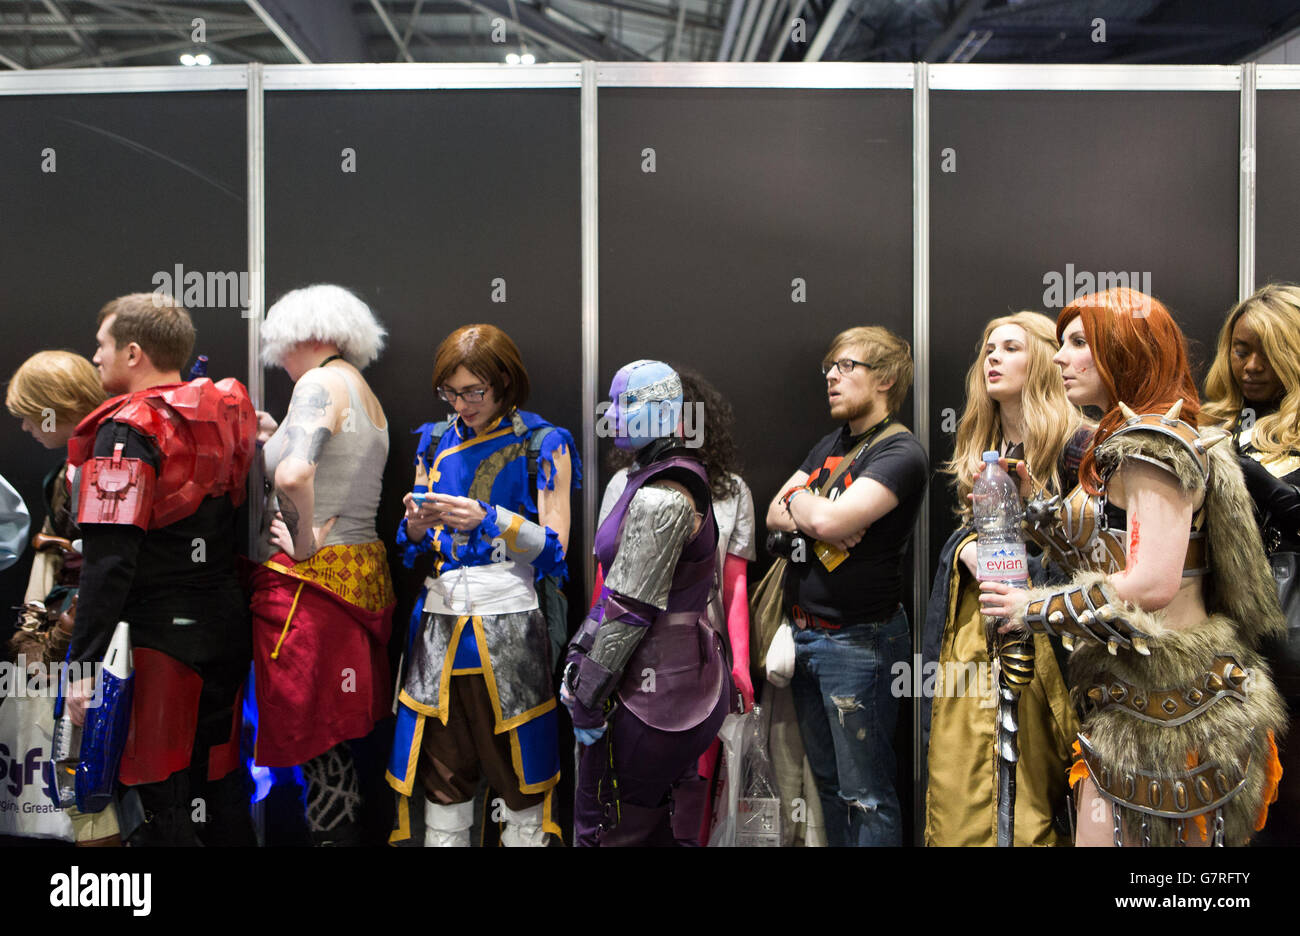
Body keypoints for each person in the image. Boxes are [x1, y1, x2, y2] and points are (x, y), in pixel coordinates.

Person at [980, 287, 1287, 847]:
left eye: (1079, 343)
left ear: (1123, 351)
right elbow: (1111, 557)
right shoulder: (1139, 437)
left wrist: (1032, 607)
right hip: (1138, 694)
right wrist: (1040, 513)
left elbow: (1151, 581)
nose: (1059, 358)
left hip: (1171, 701)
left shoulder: (1151, 447)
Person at [64, 292, 257, 846]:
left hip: (158, 644)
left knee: (163, 800)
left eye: (101, 346)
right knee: (219, 788)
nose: (94, 358)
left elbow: (109, 561)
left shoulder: (126, 430)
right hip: (223, 627)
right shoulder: (225, 410)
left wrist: (82, 669)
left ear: (131, 352)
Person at [386, 324, 579, 847]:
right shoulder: (434, 440)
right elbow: (414, 549)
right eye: (451, 392)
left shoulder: (543, 442)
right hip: (438, 633)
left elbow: (557, 550)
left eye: (475, 391)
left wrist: (489, 518)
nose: (462, 403)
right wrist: (417, 526)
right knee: (443, 781)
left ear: (504, 383)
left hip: (510, 629)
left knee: (522, 780)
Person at [922, 311, 1088, 846]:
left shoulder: (1078, 446)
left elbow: (1094, 563)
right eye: (989, 348)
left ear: (1041, 359)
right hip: (978, 633)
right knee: (964, 781)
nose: (992, 358)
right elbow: (968, 537)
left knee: (1035, 792)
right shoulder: (985, 449)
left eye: (1011, 348)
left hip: (1047, 639)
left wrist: (1022, 568)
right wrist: (971, 547)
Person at [764, 326, 928, 847]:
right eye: (829, 369)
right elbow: (773, 512)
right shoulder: (830, 444)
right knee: (831, 789)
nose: (831, 377)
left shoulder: (900, 452)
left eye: (846, 367)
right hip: (807, 639)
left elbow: (829, 524)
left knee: (867, 795)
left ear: (886, 379)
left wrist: (814, 514)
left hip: (860, 644)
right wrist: (817, 514)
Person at [248, 284, 395, 846]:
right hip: (350, 586)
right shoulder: (356, 386)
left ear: (303, 335)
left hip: (308, 591)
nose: (278, 357)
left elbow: (293, 475)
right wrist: (271, 437)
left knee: (318, 751)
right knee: (329, 750)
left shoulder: (317, 384)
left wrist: (303, 538)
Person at [564, 360, 732, 846]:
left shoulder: (666, 491)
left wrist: (588, 696)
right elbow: (616, 593)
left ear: (664, 410)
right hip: (655, 683)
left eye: (625, 403)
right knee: (642, 823)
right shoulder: (654, 478)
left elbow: (630, 608)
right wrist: (580, 662)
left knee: (614, 828)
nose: (611, 414)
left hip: (655, 695)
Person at [1202, 282, 1300, 845]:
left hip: (1289, 642)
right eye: (1241, 349)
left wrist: (1243, 470)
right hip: (1217, 642)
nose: (1252, 365)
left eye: (1268, 350)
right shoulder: (1212, 421)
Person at [4, 351, 114, 844]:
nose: (26, 428)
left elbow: (112, 564)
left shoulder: (105, 462)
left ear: (53, 407)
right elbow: (46, 547)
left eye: (30, 415)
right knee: (70, 772)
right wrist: (32, 627)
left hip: (103, 636)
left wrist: (69, 634)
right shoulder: (64, 472)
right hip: (67, 632)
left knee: (98, 779)